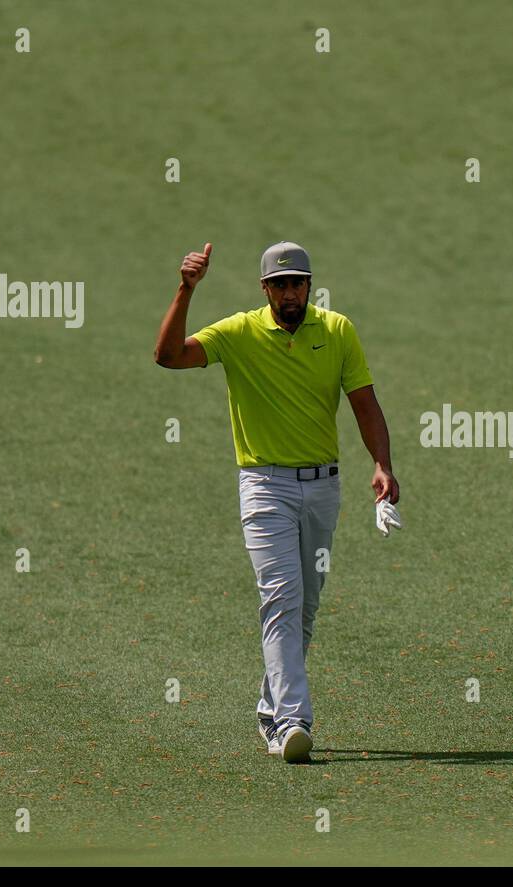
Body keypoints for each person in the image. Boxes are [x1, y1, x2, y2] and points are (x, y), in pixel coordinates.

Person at [153, 240, 401, 764]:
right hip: (264, 486)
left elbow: (365, 403)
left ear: (310, 286)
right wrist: (185, 290)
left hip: (323, 487)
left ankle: (270, 710)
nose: (291, 292)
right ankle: (292, 721)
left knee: (305, 608)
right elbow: (168, 356)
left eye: (299, 283)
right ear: (265, 289)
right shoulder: (239, 332)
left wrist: (382, 463)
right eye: (281, 284)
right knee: (281, 599)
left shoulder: (337, 331)